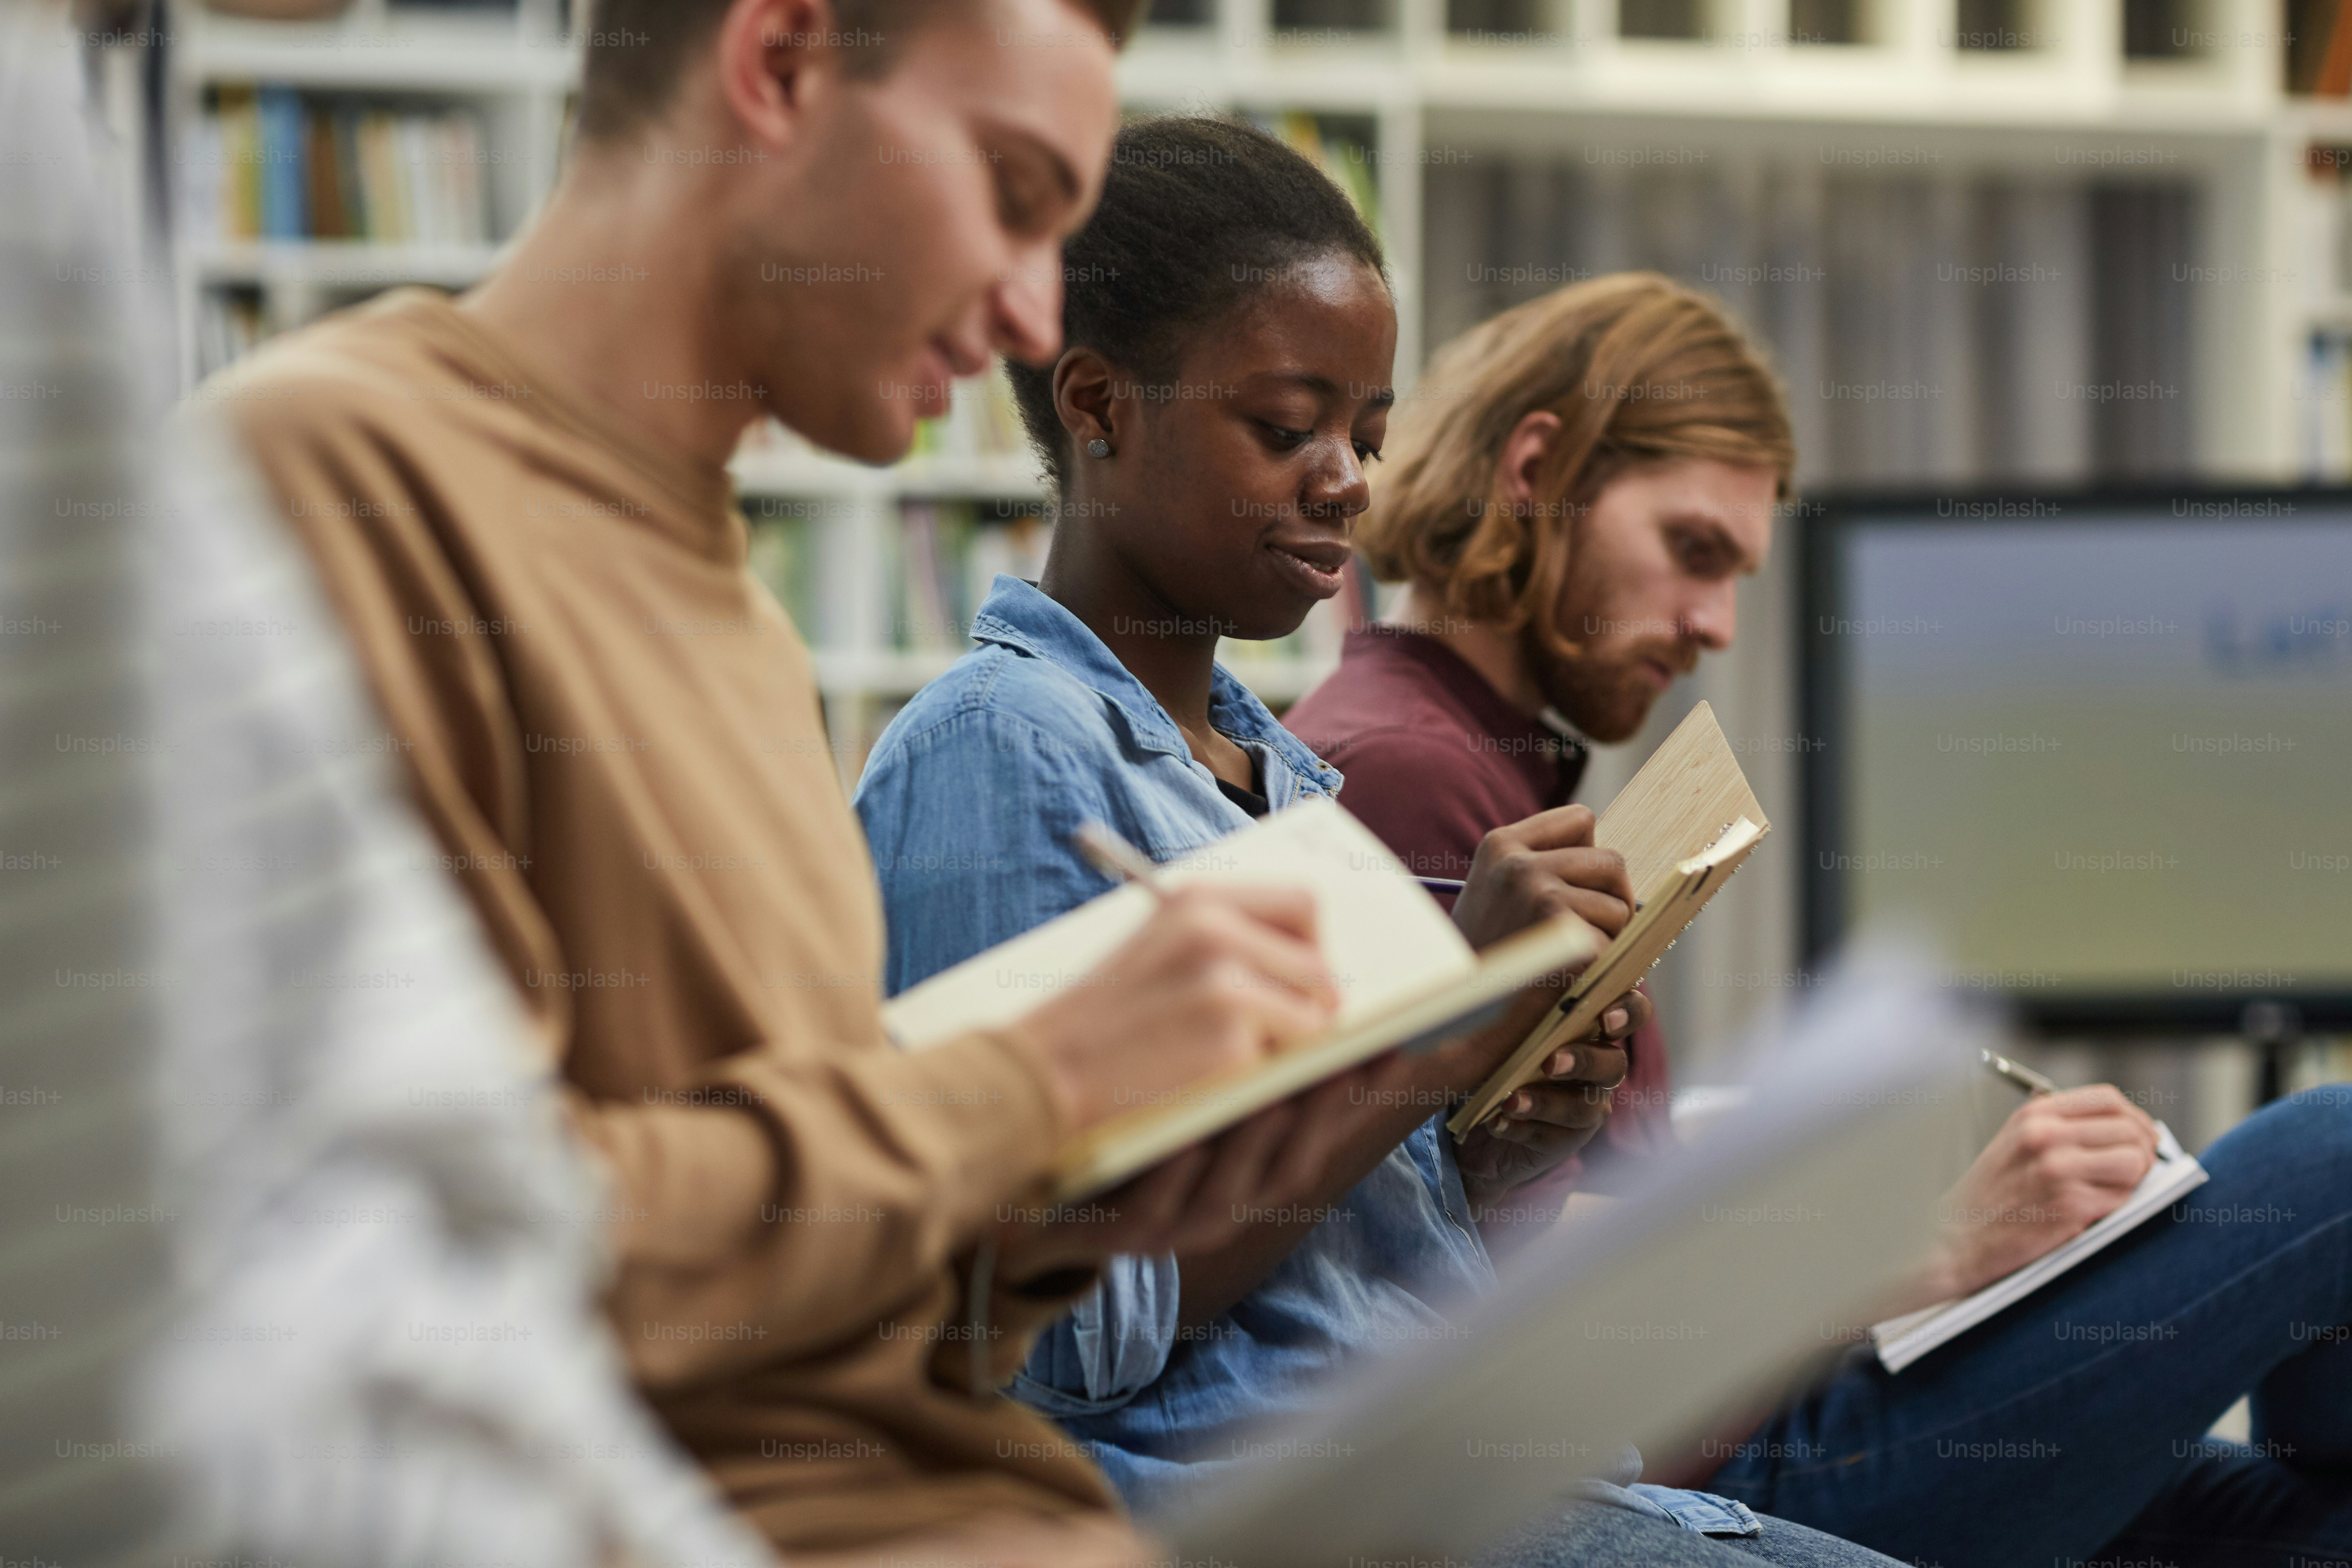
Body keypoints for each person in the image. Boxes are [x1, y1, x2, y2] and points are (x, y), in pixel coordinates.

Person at [197, 0, 1401, 1561]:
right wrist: (1027, 1091)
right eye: (1011, 192)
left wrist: (1065, 1211)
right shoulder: (331, 486)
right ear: (779, 64)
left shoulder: (744, 632)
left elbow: (809, 1318)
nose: (1035, 311)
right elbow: (432, 1287)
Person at [854, 114, 1910, 1568]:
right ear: (1097, 404)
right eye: (1288, 429)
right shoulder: (1005, 745)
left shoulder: (1287, 786)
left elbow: (1338, 1282)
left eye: (1366, 435)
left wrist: (1489, 1140)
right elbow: (1059, 1344)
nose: (1347, 479)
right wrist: (1431, 1032)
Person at [1295, 269, 2352, 1568]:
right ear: (1535, 470)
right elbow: (1454, 1262)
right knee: (2339, 1151)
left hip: (1781, 1411)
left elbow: (1522, 1176)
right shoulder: (1405, 773)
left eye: (1736, 576)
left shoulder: (1470, 760)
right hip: (1744, 1470)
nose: (1714, 626)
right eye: (1692, 553)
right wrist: (1938, 1242)